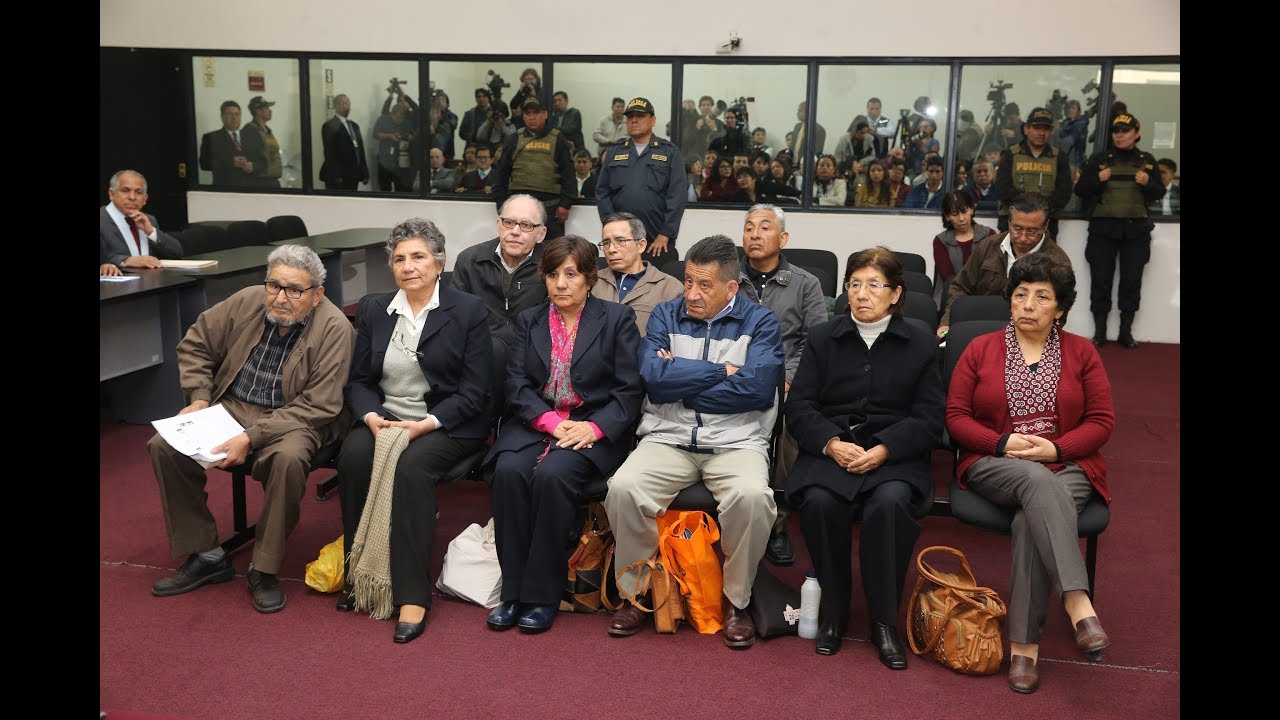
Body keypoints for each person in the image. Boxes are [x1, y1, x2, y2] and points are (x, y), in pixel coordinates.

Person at [147, 245, 355, 614]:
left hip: (296, 417)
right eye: (273, 285)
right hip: (231, 405)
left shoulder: (335, 327)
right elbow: (195, 345)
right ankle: (209, 555)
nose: (280, 298)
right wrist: (198, 398)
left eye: (294, 290)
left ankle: (264, 568)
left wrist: (251, 437)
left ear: (317, 293)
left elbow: (319, 404)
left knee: (288, 460)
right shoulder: (246, 302)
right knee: (164, 445)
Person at [945, 252, 1115, 694]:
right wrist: (1001, 443)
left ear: (1060, 308)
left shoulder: (1082, 352)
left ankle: (1024, 648)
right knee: (1037, 482)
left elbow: (1101, 422)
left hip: (1071, 465)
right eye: (1020, 295)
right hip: (995, 462)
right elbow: (956, 417)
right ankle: (1079, 603)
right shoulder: (980, 349)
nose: (1028, 304)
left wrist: (1057, 447)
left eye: (1042, 297)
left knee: (1031, 516)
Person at [604, 234, 784, 649]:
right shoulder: (666, 315)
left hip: (736, 441)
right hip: (668, 437)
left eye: (705, 285)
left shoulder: (760, 323)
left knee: (754, 497)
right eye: (687, 281)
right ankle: (638, 591)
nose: (692, 293)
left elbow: (757, 391)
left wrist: (680, 378)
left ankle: (736, 600)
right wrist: (723, 372)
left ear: (731, 288)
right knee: (623, 489)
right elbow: (652, 380)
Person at [335, 218, 493, 644]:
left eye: (419, 257)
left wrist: (425, 425)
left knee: (412, 470)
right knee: (350, 458)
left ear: (439, 263)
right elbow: (360, 382)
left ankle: (411, 593)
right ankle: (359, 572)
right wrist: (369, 416)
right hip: (385, 416)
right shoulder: (374, 309)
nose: (409, 266)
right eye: (399, 259)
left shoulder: (468, 311)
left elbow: (476, 391)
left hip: (447, 421)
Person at [785, 246, 944, 663]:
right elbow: (799, 407)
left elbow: (929, 418)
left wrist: (885, 449)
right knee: (820, 502)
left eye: (874, 285)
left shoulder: (922, 344)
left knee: (889, 505)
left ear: (895, 294)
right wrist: (831, 444)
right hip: (833, 450)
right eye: (854, 284)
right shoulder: (823, 337)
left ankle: (883, 620)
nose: (862, 294)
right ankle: (835, 614)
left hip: (893, 456)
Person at [484, 234, 644, 634]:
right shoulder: (530, 320)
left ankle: (540, 596)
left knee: (553, 477)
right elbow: (517, 386)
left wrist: (594, 427)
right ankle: (512, 592)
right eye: (553, 274)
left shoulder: (616, 319)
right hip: (537, 424)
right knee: (508, 472)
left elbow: (629, 391)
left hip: (593, 428)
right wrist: (551, 423)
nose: (561, 284)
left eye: (571, 274)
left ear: (590, 278)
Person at [735, 204, 829, 567]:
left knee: (789, 426)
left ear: (783, 238)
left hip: (788, 384)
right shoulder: (729, 281)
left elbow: (815, 341)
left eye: (764, 228)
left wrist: (788, 379)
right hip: (734, 379)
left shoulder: (806, 283)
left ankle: (777, 521)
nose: (755, 235)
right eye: (748, 228)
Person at [1074, 113, 1164, 349]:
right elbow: (1081, 189)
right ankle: (1100, 333)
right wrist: (1097, 178)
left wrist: (1148, 183)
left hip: (1135, 232)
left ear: (1136, 132)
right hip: (1103, 230)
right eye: (1116, 131)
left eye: (1124, 131)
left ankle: (1126, 333)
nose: (1120, 135)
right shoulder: (1100, 159)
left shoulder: (1146, 160)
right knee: (1100, 281)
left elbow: (1159, 193)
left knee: (1131, 282)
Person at [937, 192, 1072, 338]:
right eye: (1017, 229)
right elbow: (960, 287)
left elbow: (1060, 312)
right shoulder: (989, 245)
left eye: (1032, 232)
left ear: (1045, 226)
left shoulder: (1057, 260)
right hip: (981, 328)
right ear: (1009, 223)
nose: (1023, 238)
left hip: (1029, 338)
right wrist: (947, 322)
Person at [595, 97, 689, 261]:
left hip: (657, 241)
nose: (634, 120)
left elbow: (677, 195)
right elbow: (602, 192)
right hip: (621, 240)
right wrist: (611, 227)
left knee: (659, 284)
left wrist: (666, 233)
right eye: (630, 117)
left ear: (653, 120)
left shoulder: (669, 152)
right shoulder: (614, 152)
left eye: (640, 116)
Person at [451, 193, 551, 347]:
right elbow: (456, 316)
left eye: (526, 225)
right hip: (479, 352)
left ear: (541, 234)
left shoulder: (551, 266)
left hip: (531, 354)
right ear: (498, 225)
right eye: (509, 222)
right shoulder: (470, 260)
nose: (515, 231)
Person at [492, 95, 576, 242]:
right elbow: (502, 174)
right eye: (527, 113)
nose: (532, 117)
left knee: (553, 253)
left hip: (550, 209)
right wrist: (500, 203)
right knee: (518, 248)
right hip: (519, 208)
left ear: (545, 114)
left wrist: (565, 204)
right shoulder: (514, 139)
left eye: (536, 113)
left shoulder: (557, 138)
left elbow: (568, 174)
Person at [593, 212, 683, 334]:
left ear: (641, 245)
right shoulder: (591, 282)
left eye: (620, 241)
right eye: (606, 243)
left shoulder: (671, 289)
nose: (611, 249)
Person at [994, 107, 1071, 238]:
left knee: (1043, 259)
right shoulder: (1010, 154)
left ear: (1051, 132)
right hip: (1013, 224)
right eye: (1037, 128)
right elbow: (1002, 189)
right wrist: (1026, 210)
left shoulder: (1059, 157)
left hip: (1045, 226)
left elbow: (1063, 192)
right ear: (1026, 129)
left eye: (1046, 129)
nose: (1041, 133)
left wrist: (1041, 212)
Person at [100, 170, 185, 271]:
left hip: (152, 283)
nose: (132, 197)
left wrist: (151, 232)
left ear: (145, 199)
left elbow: (177, 253)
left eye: (138, 192)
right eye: (125, 190)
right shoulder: (102, 219)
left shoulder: (148, 220)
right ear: (111, 194)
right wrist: (124, 261)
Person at [932, 189, 998, 311]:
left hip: (985, 295)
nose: (961, 218)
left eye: (964, 211)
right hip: (951, 297)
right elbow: (948, 276)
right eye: (954, 213)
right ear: (947, 217)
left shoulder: (989, 235)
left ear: (972, 210)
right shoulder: (940, 241)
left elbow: (992, 271)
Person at [199, 100, 257, 186]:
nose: (234, 118)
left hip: (250, 189)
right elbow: (204, 163)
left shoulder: (251, 137)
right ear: (222, 117)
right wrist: (230, 162)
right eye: (229, 114)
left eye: (237, 114)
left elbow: (262, 161)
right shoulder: (211, 137)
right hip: (224, 189)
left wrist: (254, 166)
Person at [319, 94, 369, 190]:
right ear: (336, 106)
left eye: (348, 103)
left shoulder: (354, 126)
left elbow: (360, 150)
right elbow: (329, 152)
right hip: (339, 176)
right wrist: (336, 175)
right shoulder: (330, 126)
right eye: (343, 103)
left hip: (353, 175)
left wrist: (364, 172)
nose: (346, 106)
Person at [374, 100, 417, 192]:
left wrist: (406, 136)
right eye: (397, 117)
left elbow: (413, 137)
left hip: (402, 164)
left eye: (402, 118)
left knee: (402, 191)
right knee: (384, 190)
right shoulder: (382, 119)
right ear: (391, 114)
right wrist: (389, 136)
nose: (400, 120)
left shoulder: (407, 122)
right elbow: (376, 134)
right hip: (384, 162)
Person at [241, 96, 283, 188]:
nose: (270, 111)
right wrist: (255, 166)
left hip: (272, 180)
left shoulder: (267, 131)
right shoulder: (250, 130)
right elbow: (251, 158)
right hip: (260, 183)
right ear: (258, 111)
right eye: (267, 108)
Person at [788, 101, 826, 173]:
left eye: (800, 111)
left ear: (808, 112)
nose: (797, 113)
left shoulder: (818, 130)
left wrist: (803, 166)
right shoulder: (797, 127)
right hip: (792, 166)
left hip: (806, 169)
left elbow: (817, 152)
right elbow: (792, 147)